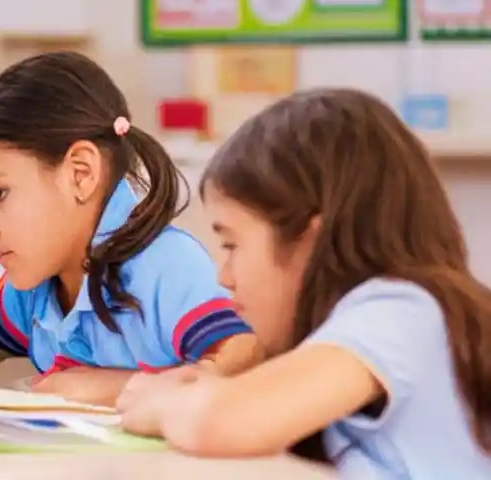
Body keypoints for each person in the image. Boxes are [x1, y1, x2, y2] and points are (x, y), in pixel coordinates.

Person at [117, 88, 491, 477]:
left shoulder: (399, 311)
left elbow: (223, 421)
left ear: (309, 242)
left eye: (231, 244)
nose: (223, 276)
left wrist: (166, 403)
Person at [0, 52, 259, 406]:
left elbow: (246, 360)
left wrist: (118, 388)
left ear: (81, 173)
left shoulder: (167, 267)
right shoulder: (34, 285)